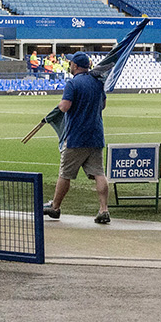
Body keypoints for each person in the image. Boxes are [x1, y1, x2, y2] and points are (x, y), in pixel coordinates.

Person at [42, 52, 110, 224]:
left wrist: (58, 106)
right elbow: (103, 105)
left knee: (65, 174)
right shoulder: (97, 82)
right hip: (95, 135)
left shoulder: (72, 83)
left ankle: (55, 207)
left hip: (76, 137)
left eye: (71, 63)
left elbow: (65, 107)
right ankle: (104, 209)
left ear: (76, 66)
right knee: (99, 173)